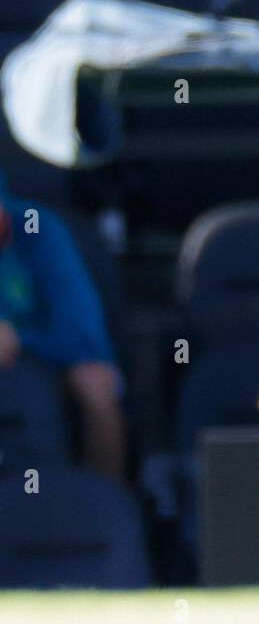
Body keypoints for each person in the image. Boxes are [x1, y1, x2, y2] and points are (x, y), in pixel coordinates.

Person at [0, 177, 127, 479]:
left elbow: (80, 332)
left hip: (47, 361)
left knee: (96, 382)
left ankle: (107, 511)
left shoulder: (37, 229)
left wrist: (20, 340)